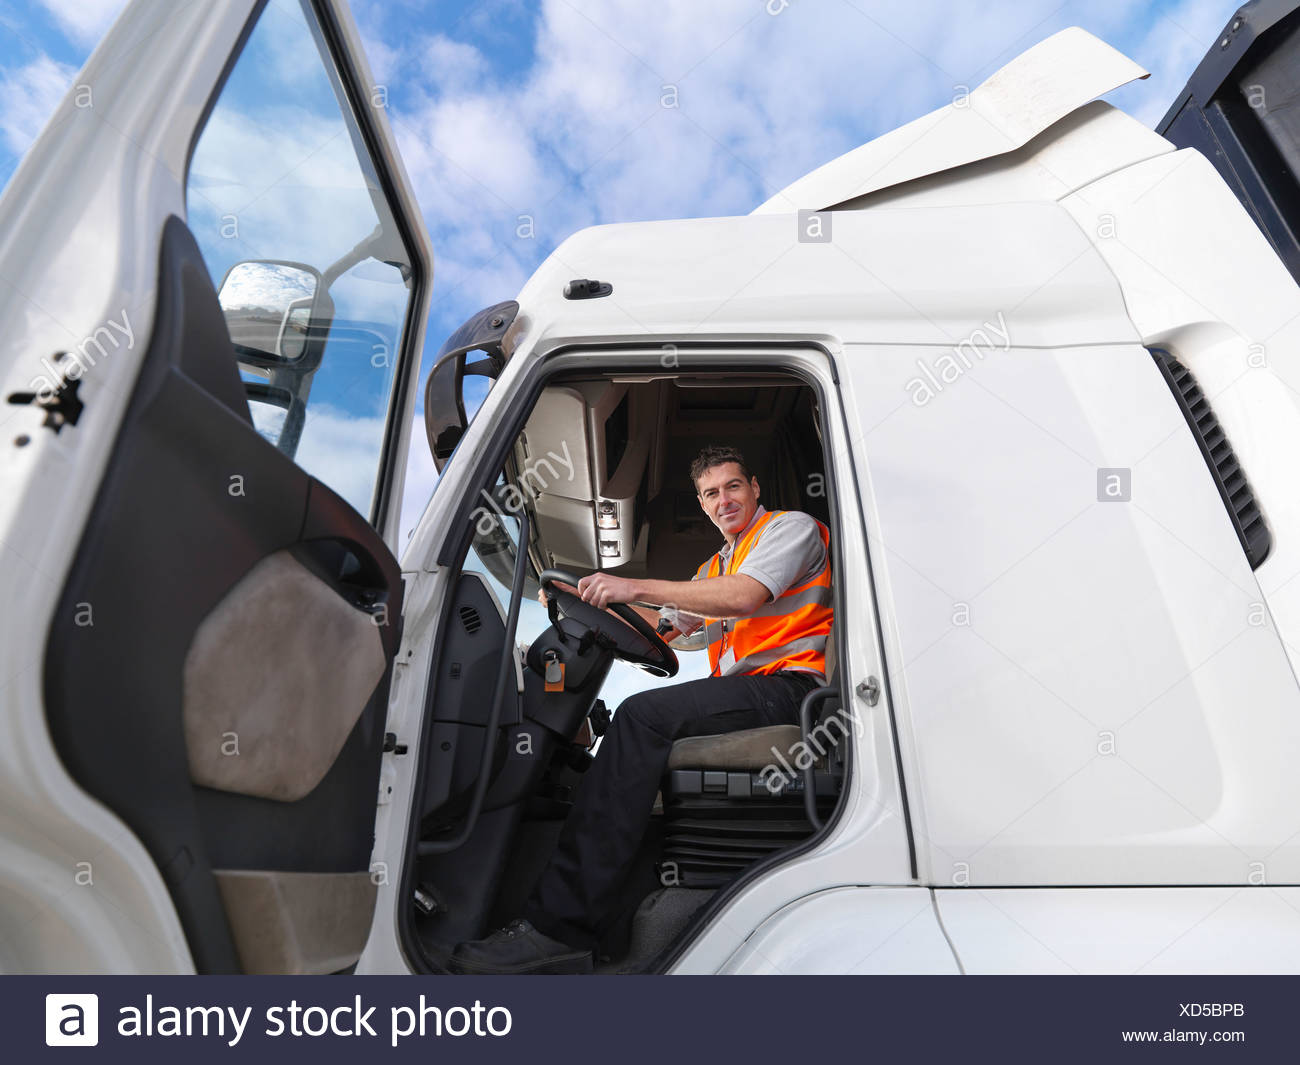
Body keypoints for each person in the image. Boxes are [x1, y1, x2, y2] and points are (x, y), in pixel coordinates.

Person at [449, 445, 833, 973]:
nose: (724, 501)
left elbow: (744, 597)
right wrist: (581, 599)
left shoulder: (790, 529)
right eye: (711, 493)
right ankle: (602, 906)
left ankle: (559, 929)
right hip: (755, 693)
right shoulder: (715, 564)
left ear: (755, 489)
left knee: (641, 717)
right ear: (702, 504)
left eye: (733, 487)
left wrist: (631, 583)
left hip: (793, 691)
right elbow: (662, 626)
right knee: (633, 728)